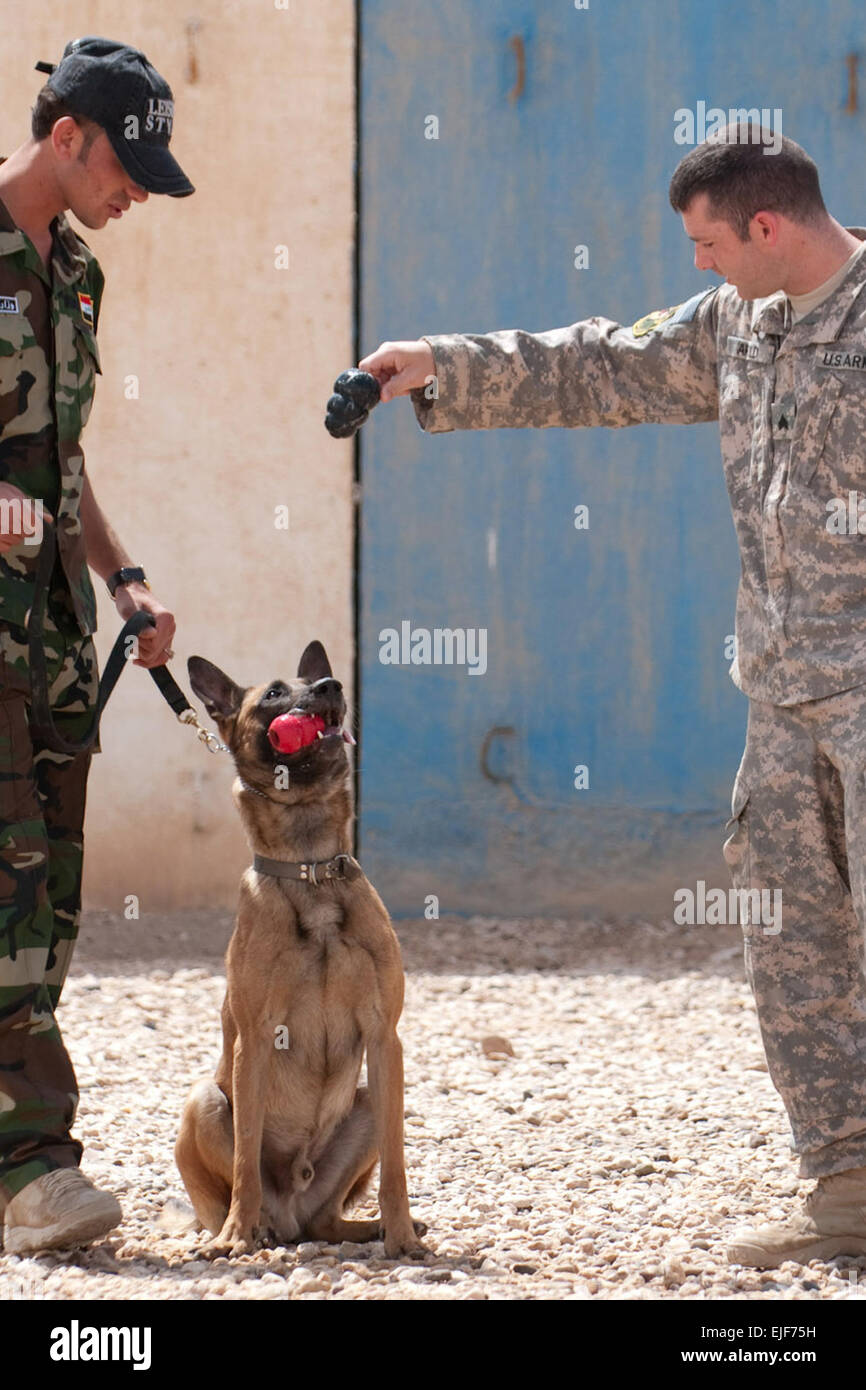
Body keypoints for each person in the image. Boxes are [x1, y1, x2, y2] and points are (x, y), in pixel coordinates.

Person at [359, 124, 866, 1270]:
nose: (696, 266)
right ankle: (846, 1187)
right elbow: (603, 362)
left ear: (768, 226)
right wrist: (440, 364)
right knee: (793, 946)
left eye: (706, 244)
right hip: (783, 694)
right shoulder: (740, 320)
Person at [0, 37, 190, 1255]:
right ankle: (32, 1169)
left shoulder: (73, 275)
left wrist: (120, 578)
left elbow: (58, 458)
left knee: (50, 900)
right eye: (128, 166)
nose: (136, 193)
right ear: (67, 135)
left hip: (55, 630)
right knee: (10, 889)